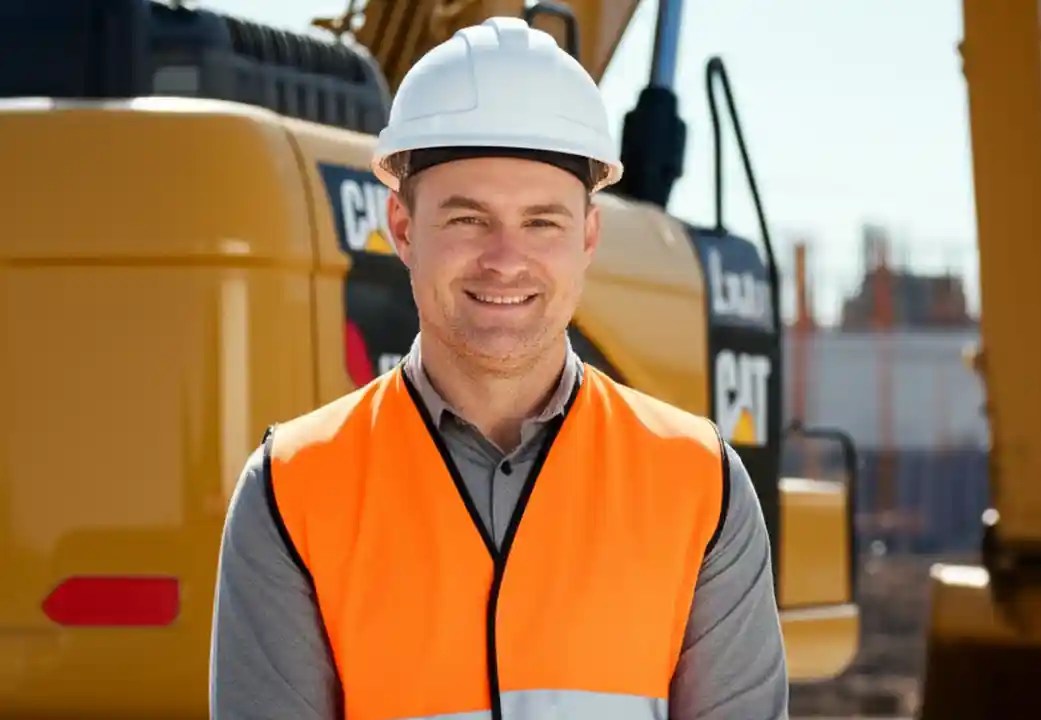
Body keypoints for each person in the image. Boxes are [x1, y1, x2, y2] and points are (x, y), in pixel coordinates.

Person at [209, 16, 788, 720]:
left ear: (588, 237)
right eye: (467, 220)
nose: (505, 259)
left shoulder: (701, 485)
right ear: (400, 228)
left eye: (541, 221)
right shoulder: (291, 490)